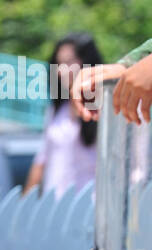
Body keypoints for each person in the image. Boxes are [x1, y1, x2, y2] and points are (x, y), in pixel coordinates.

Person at [23, 33, 101, 197]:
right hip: (55, 206)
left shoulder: (105, 109)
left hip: (89, 208)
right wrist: (25, 202)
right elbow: (42, 159)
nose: (61, 71)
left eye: (68, 62)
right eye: (59, 64)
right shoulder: (58, 109)